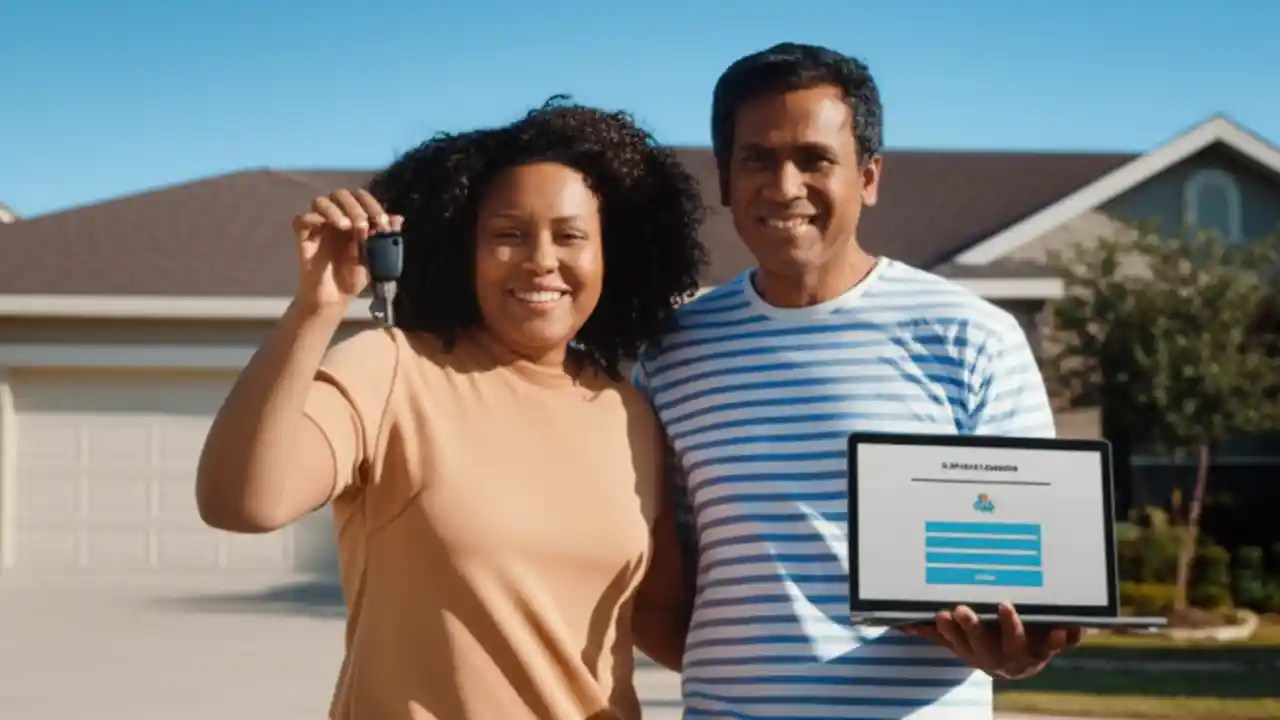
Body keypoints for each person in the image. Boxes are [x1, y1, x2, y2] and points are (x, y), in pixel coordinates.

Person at [195, 98, 705, 720]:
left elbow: (664, 620)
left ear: (609, 257)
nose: (542, 260)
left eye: (570, 235)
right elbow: (241, 502)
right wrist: (316, 308)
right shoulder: (391, 369)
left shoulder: (631, 415)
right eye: (508, 234)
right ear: (465, 249)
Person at [632, 43, 1083, 719]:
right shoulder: (672, 352)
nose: (784, 187)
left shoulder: (971, 337)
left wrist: (1020, 648)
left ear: (868, 176)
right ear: (724, 179)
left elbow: (1034, 578)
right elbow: (666, 593)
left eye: (814, 159)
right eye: (757, 159)